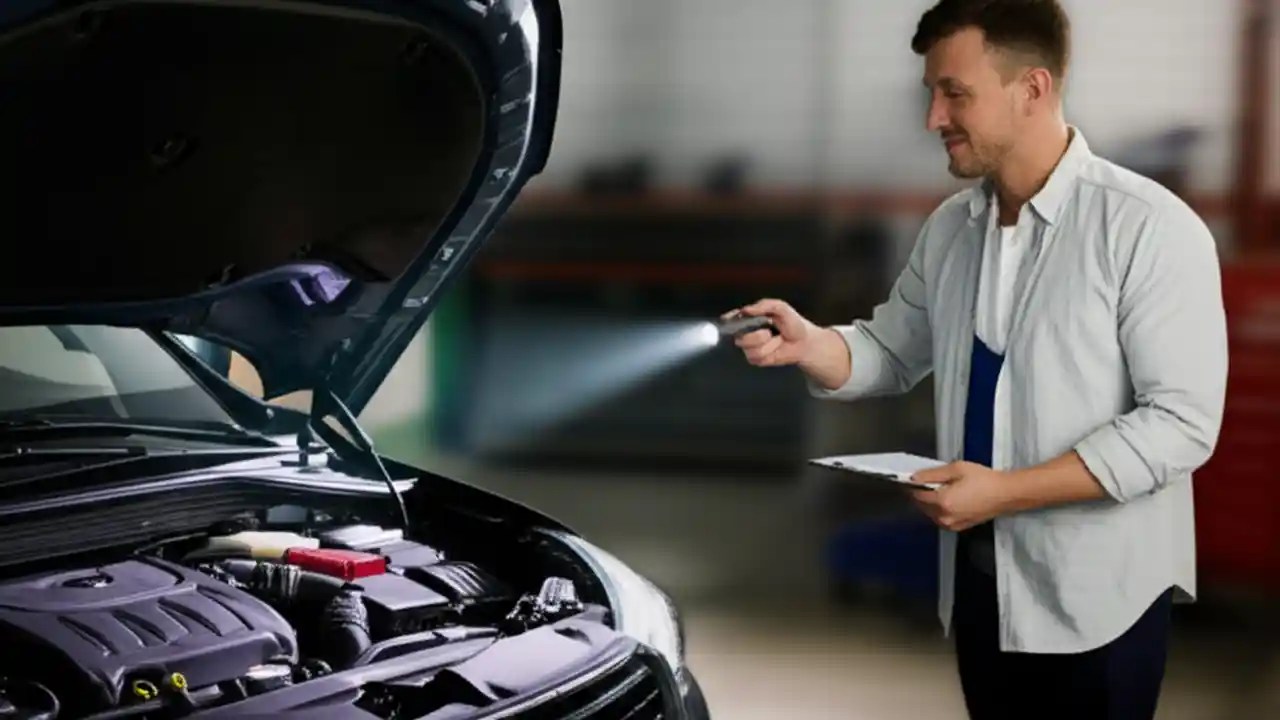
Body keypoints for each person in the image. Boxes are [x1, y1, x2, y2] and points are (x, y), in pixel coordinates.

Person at [728, 1, 1228, 718]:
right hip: (980, 593)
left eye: (954, 93)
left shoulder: (1148, 229)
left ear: (1033, 89)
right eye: (931, 93)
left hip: (1099, 608)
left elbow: (1181, 424)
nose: (934, 117)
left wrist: (1004, 492)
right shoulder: (952, 228)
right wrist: (813, 344)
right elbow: (889, 351)